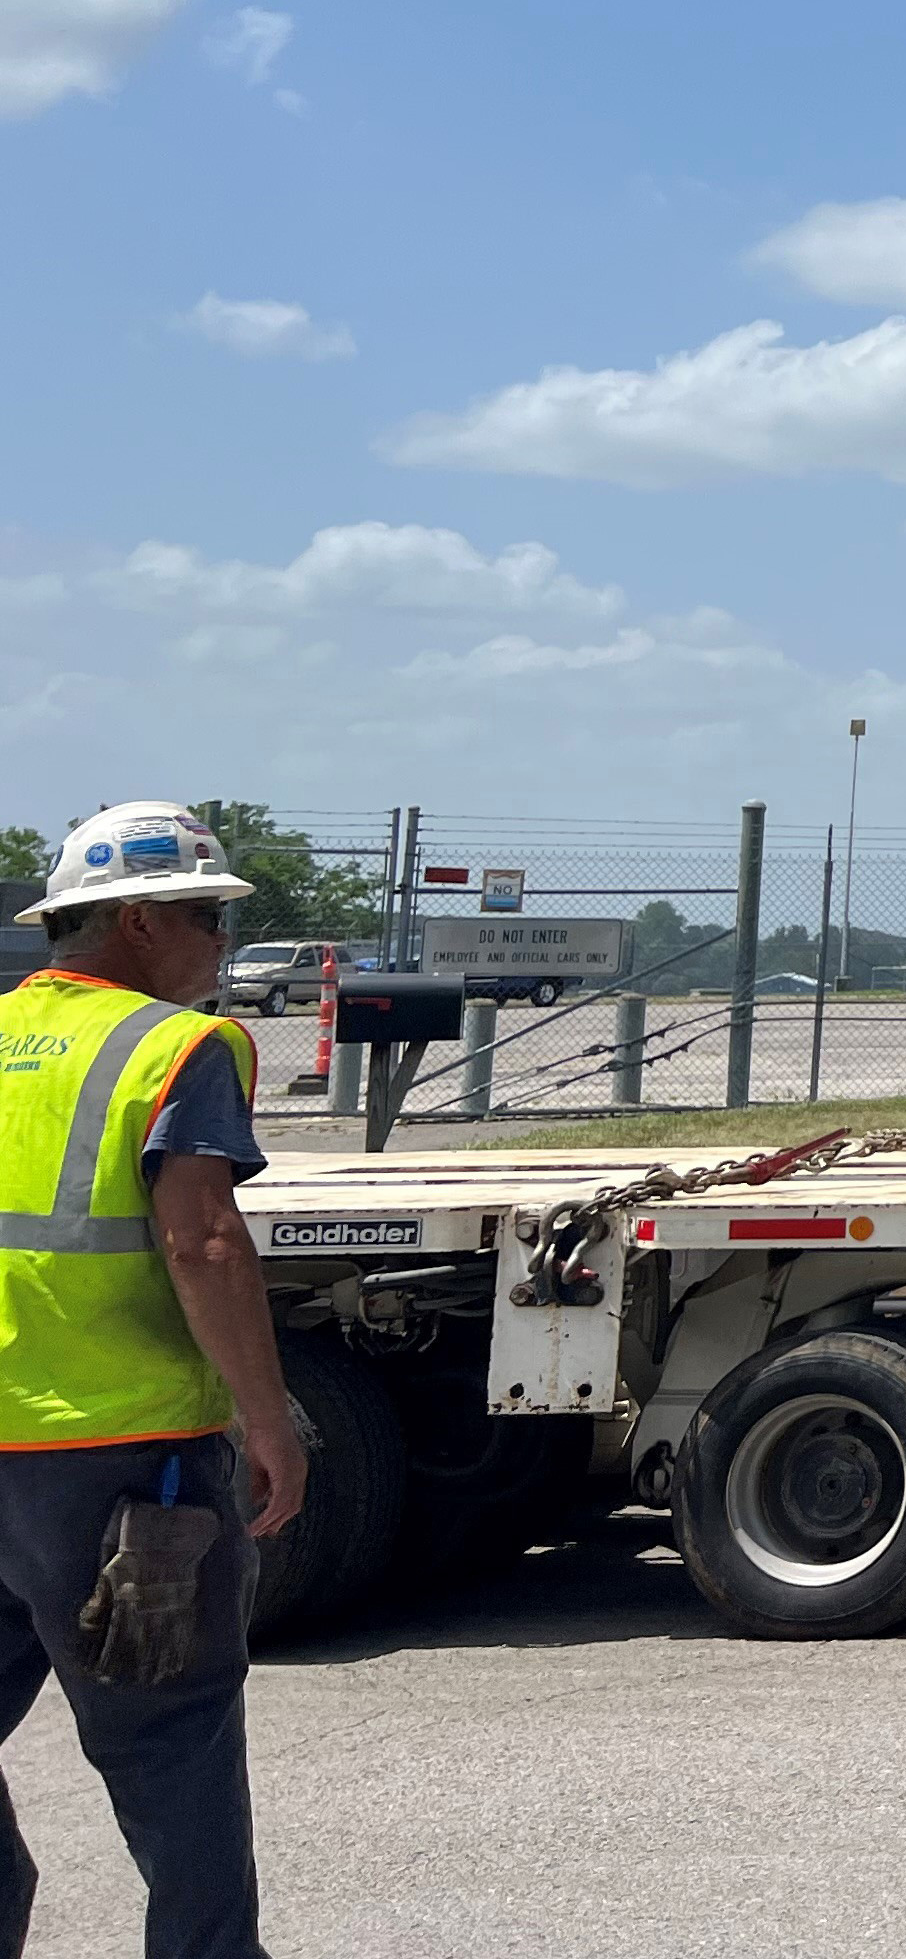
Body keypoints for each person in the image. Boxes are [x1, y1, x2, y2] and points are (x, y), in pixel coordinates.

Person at [0, 804, 303, 1959]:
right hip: (117, 1465)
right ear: (136, 922)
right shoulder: (177, 1047)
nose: (220, 949)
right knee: (172, 1752)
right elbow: (204, 1243)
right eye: (206, 921)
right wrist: (270, 1422)